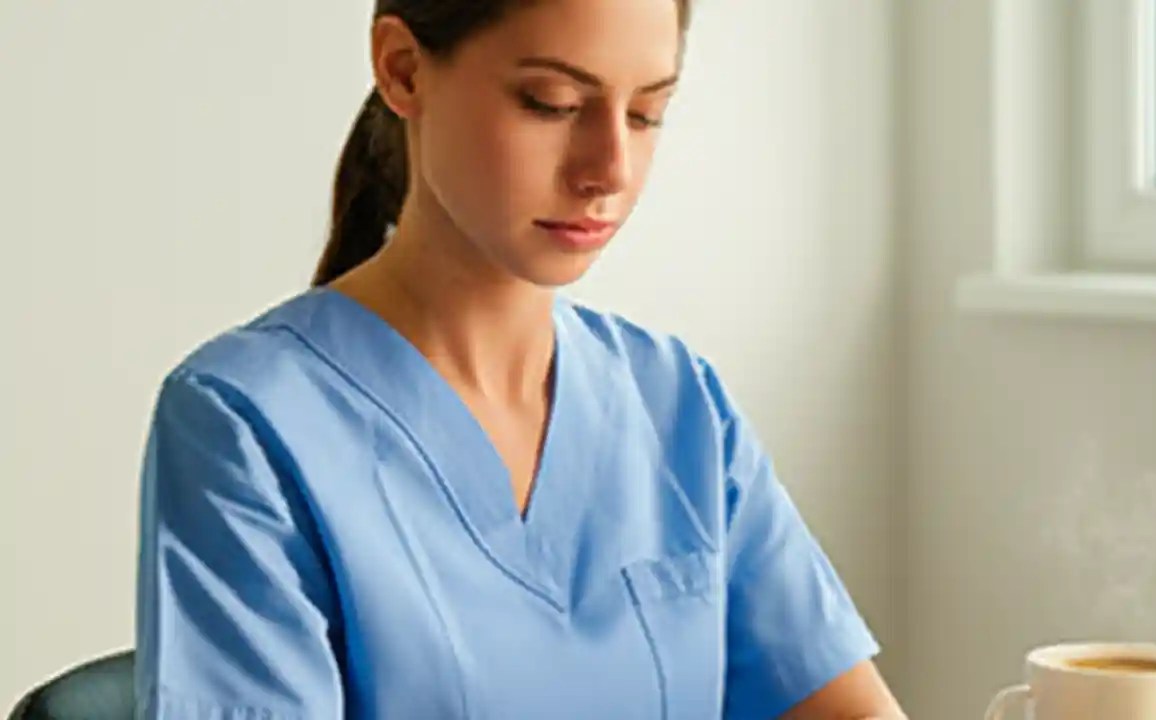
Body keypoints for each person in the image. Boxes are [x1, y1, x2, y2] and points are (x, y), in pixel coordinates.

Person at [133, 0, 907, 718]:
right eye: (553, 104)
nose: (611, 169)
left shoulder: (676, 403)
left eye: (646, 114)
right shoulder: (244, 423)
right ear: (403, 69)